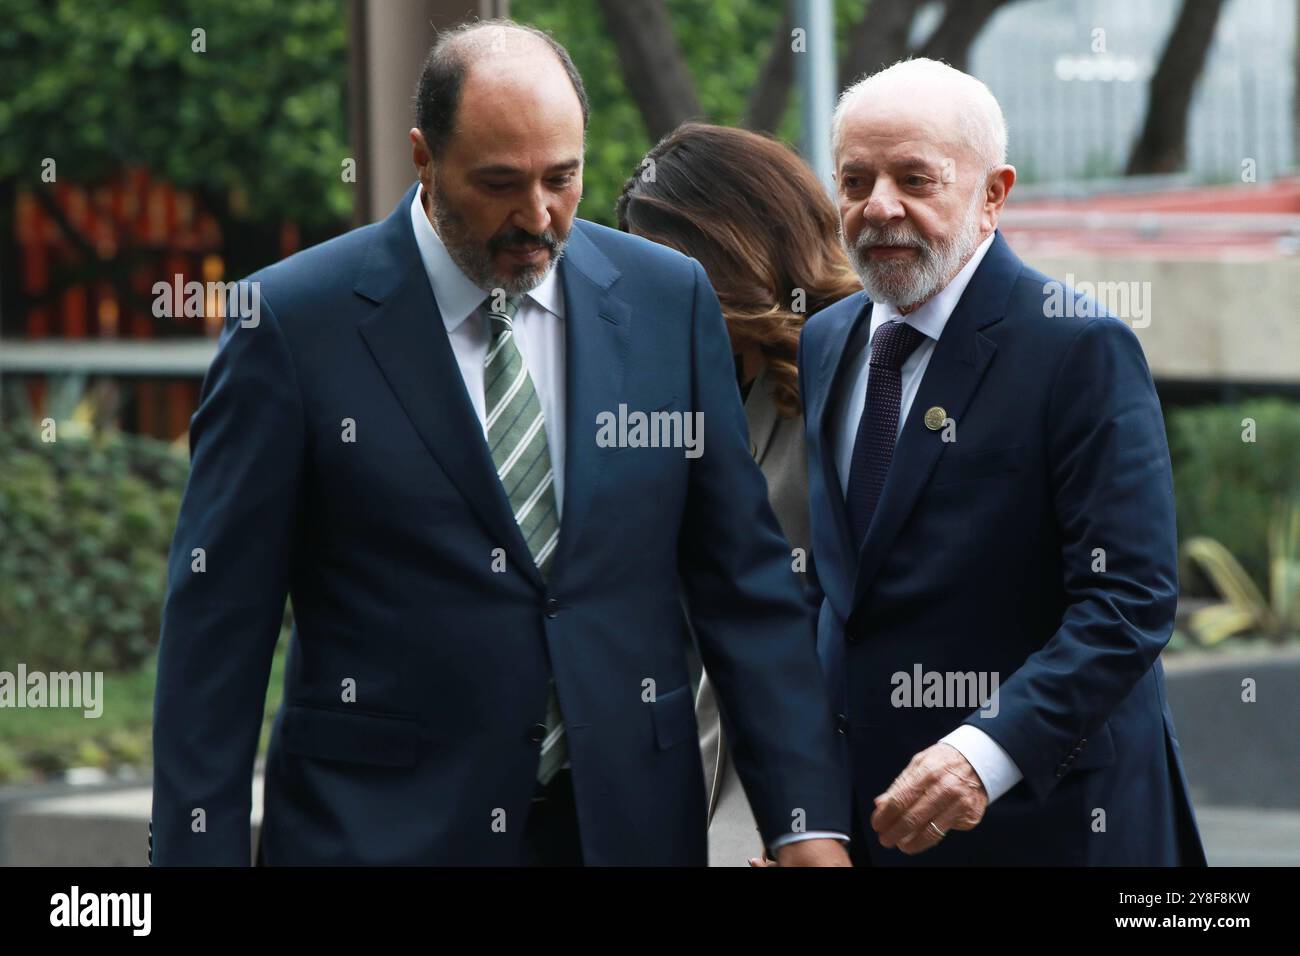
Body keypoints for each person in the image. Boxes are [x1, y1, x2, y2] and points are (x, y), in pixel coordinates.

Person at [149, 20, 850, 866]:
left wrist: (805, 822)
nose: (537, 216)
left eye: (563, 178)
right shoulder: (294, 325)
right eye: (498, 183)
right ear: (423, 158)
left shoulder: (671, 301)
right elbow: (217, 629)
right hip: (378, 834)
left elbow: (745, 589)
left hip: (625, 830)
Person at [799, 58, 1206, 865]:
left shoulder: (1078, 348)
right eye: (855, 180)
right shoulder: (826, 341)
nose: (879, 206)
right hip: (872, 824)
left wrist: (981, 755)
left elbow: (1130, 599)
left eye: (916, 178)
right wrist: (803, 816)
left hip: (1047, 826)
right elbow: (831, 591)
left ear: (993, 194)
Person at [616, 123, 860, 866]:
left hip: (820, 802)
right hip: (695, 790)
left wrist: (801, 823)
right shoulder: (680, 390)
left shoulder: (858, 382)